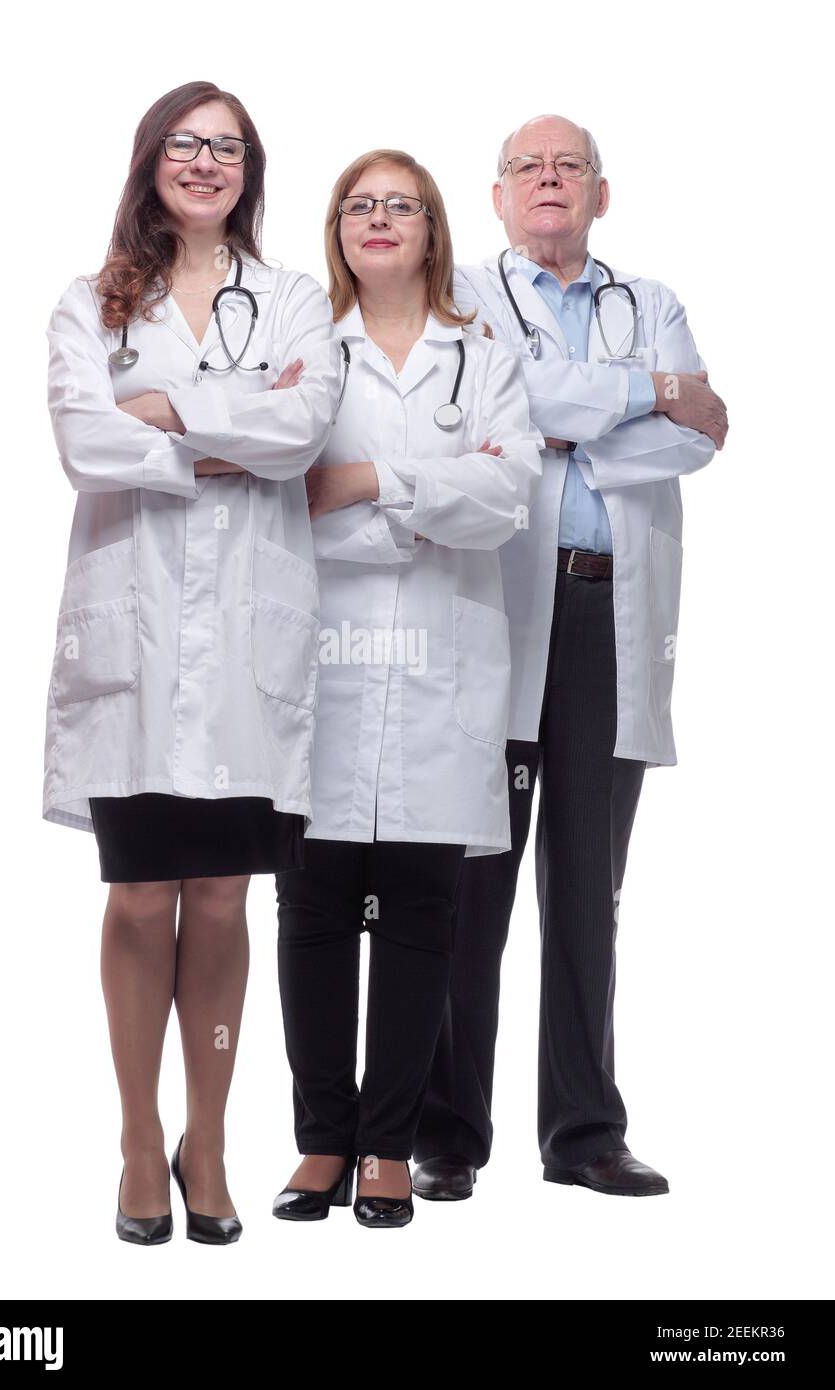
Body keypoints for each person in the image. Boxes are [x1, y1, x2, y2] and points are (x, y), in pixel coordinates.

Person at [41, 80, 340, 1244]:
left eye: (226, 147)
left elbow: (302, 429)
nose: (205, 162)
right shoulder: (91, 303)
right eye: (185, 143)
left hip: (250, 639)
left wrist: (165, 415)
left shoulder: (297, 300)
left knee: (220, 897)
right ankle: (133, 1134)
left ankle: (205, 1138)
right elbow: (82, 442)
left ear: (249, 172)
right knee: (138, 895)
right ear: (150, 161)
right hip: (138, 627)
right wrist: (221, 428)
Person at [413, 114, 728, 1200]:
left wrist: (566, 418)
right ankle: (446, 1128)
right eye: (525, 169)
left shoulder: (654, 302)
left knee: (589, 886)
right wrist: (644, 391)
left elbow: (706, 431)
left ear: (601, 193)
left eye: (568, 168)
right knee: (471, 874)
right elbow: (508, 408)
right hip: (493, 608)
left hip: (606, 615)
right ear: (496, 197)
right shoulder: (458, 298)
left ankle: (584, 1131)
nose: (547, 181)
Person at [271, 150, 543, 1229]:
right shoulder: (302, 354)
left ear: (432, 232)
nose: (377, 219)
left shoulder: (482, 356)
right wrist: (431, 501)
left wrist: (372, 484)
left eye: (400, 205)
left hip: (442, 664)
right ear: (336, 230)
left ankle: (388, 1146)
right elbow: (285, 496)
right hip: (320, 662)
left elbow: (507, 492)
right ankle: (321, 1138)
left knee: (424, 911)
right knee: (313, 906)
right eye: (356, 204)